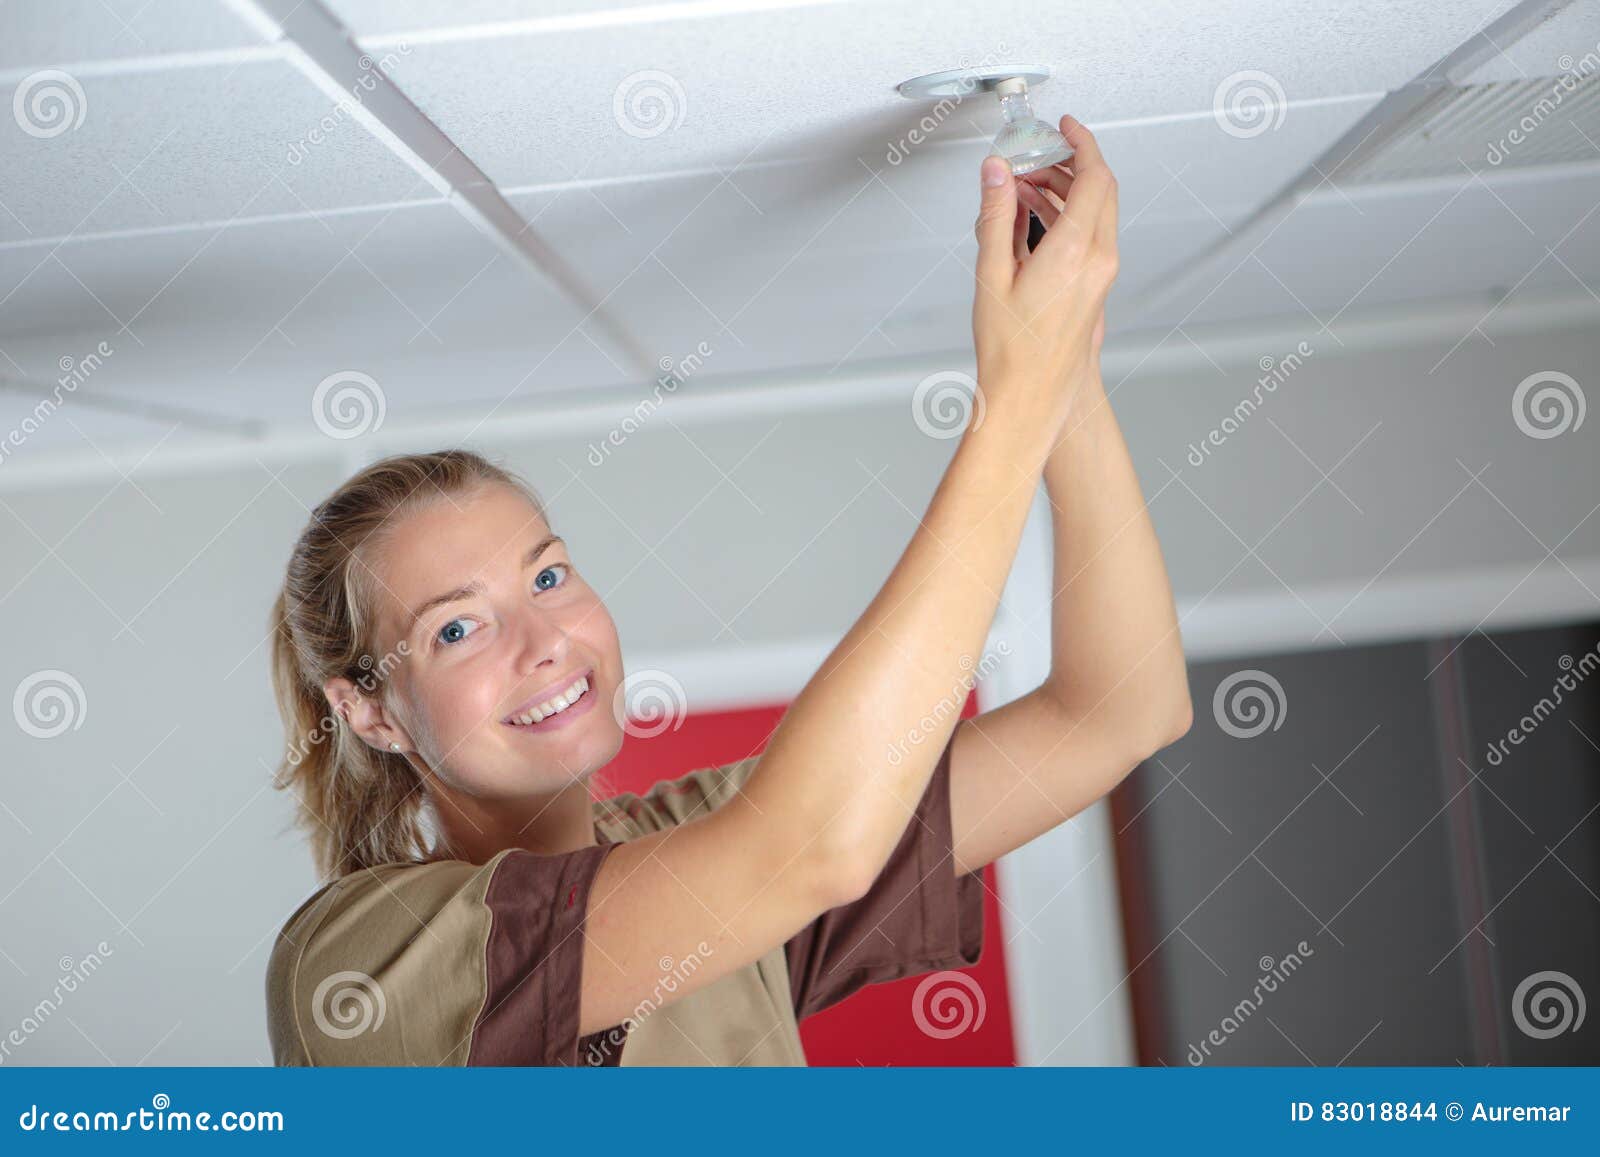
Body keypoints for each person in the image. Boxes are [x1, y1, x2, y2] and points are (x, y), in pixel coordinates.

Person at [263, 116, 1192, 1066]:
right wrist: (1015, 402)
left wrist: (1063, 365)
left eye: (548, 574)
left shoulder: (694, 838)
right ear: (369, 710)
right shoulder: (361, 967)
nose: (542, 639)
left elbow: (1115, 711)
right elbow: (810, 844)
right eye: (458, 628)